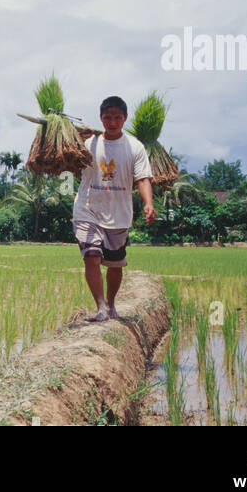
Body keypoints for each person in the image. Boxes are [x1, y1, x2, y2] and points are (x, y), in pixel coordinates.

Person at [73, 96, 157, 322]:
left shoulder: (135, 147)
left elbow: (143, 178)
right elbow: (65, 160)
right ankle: (100, 307)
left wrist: (148, 203)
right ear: (101, 118)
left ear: (125, 118)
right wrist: (75, 139)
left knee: (115, 265)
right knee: (91, 257)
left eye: (117, 118)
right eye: (107, 117)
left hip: (119, 214)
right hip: (87, 209)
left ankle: (111, 304)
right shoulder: (89, 143)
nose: (112, 122)